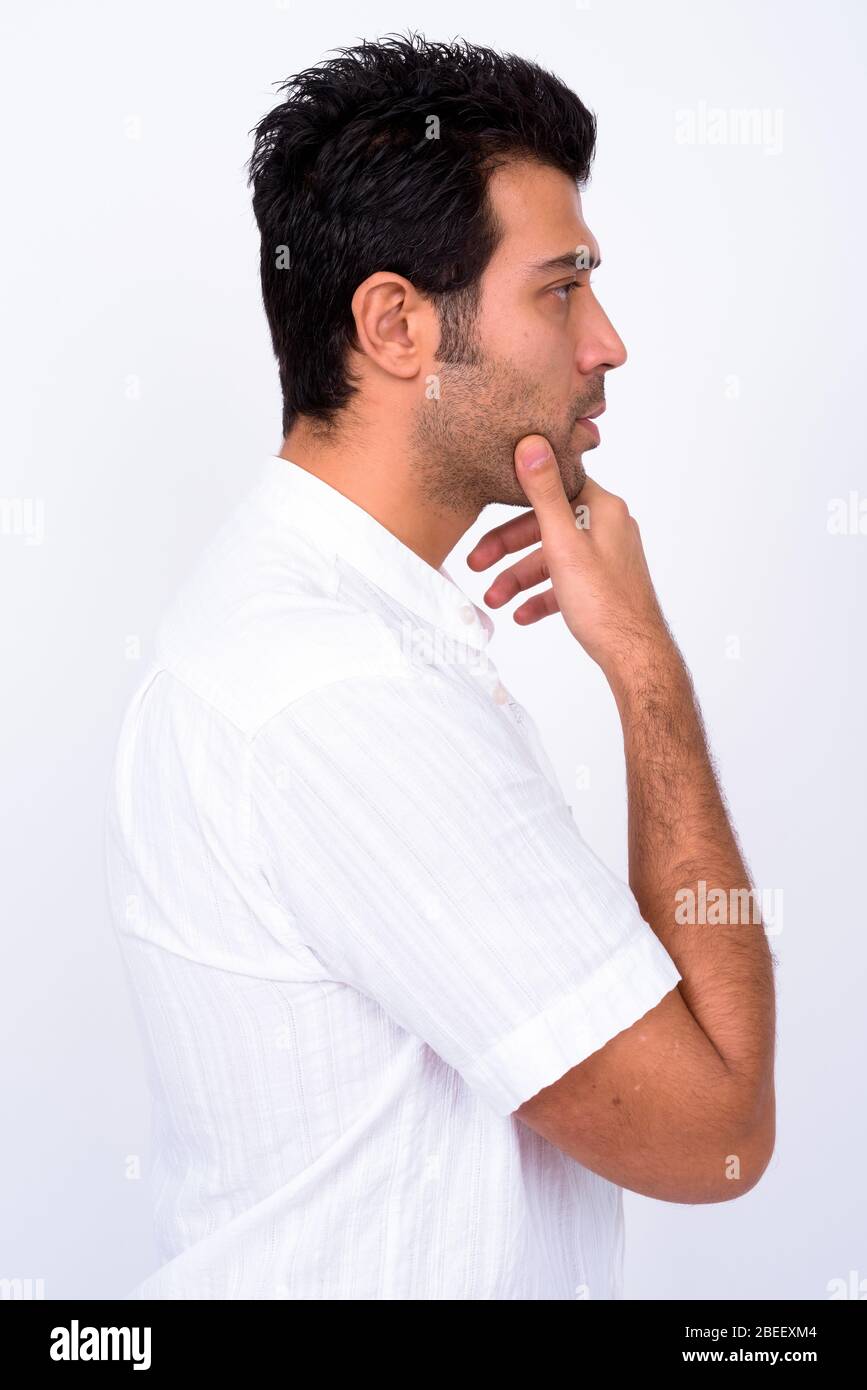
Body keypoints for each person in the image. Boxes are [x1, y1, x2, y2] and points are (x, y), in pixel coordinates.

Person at [105, 32, 776, 1300]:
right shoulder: (343, 694)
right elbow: (716, 1135)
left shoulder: (301, 621)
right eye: (561, 287)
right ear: (397, 324)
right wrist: (644, 667)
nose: (608, 342)